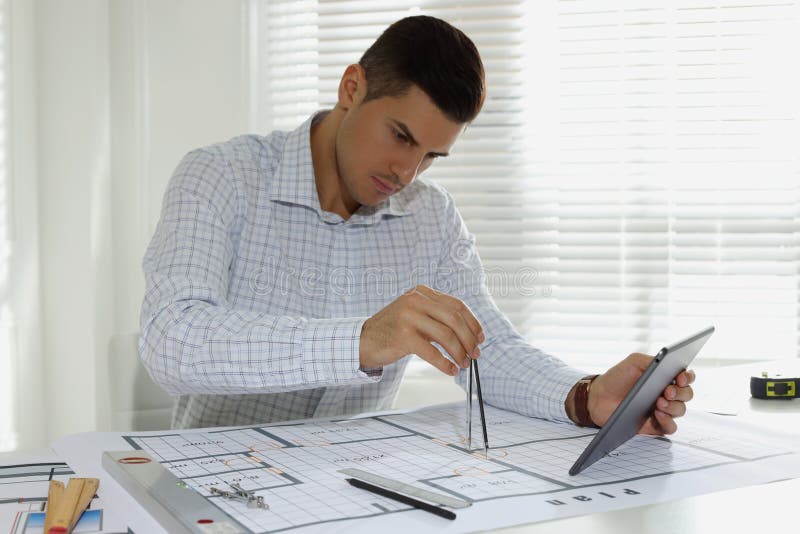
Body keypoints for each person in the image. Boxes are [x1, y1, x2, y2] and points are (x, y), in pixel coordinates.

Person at [139, 15, 695, 432]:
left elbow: (485, 349)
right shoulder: (220, 176)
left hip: (356, 489)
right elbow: (172, 341)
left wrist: (586, 396)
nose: (407, 172)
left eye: (431, 155)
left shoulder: (430, 217)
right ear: (351, 88)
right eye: (401, 136)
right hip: (219, 483)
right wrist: (363, 339)